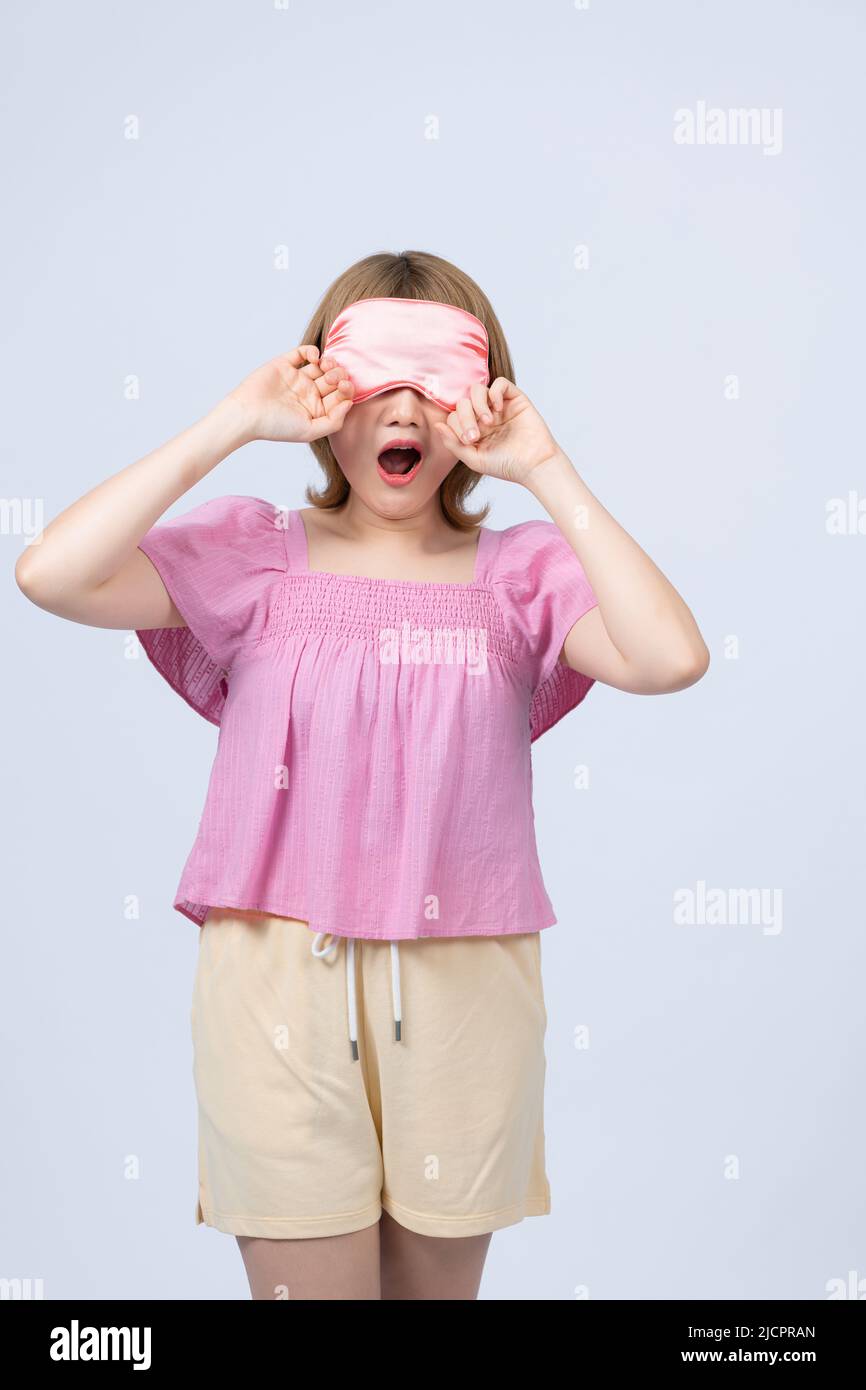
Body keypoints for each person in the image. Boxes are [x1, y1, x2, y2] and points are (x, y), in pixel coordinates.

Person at [14, 249, 710, 1300]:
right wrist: (232, 420)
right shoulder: (254, 555)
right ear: (321, 395)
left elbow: (669, 658)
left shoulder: (521, 574)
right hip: (276, 974)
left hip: (466, 980)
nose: (406, 409)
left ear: (480, 403)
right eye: (373, 378)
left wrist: (549, 468)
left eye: (437, 384)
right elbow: (49, 572)